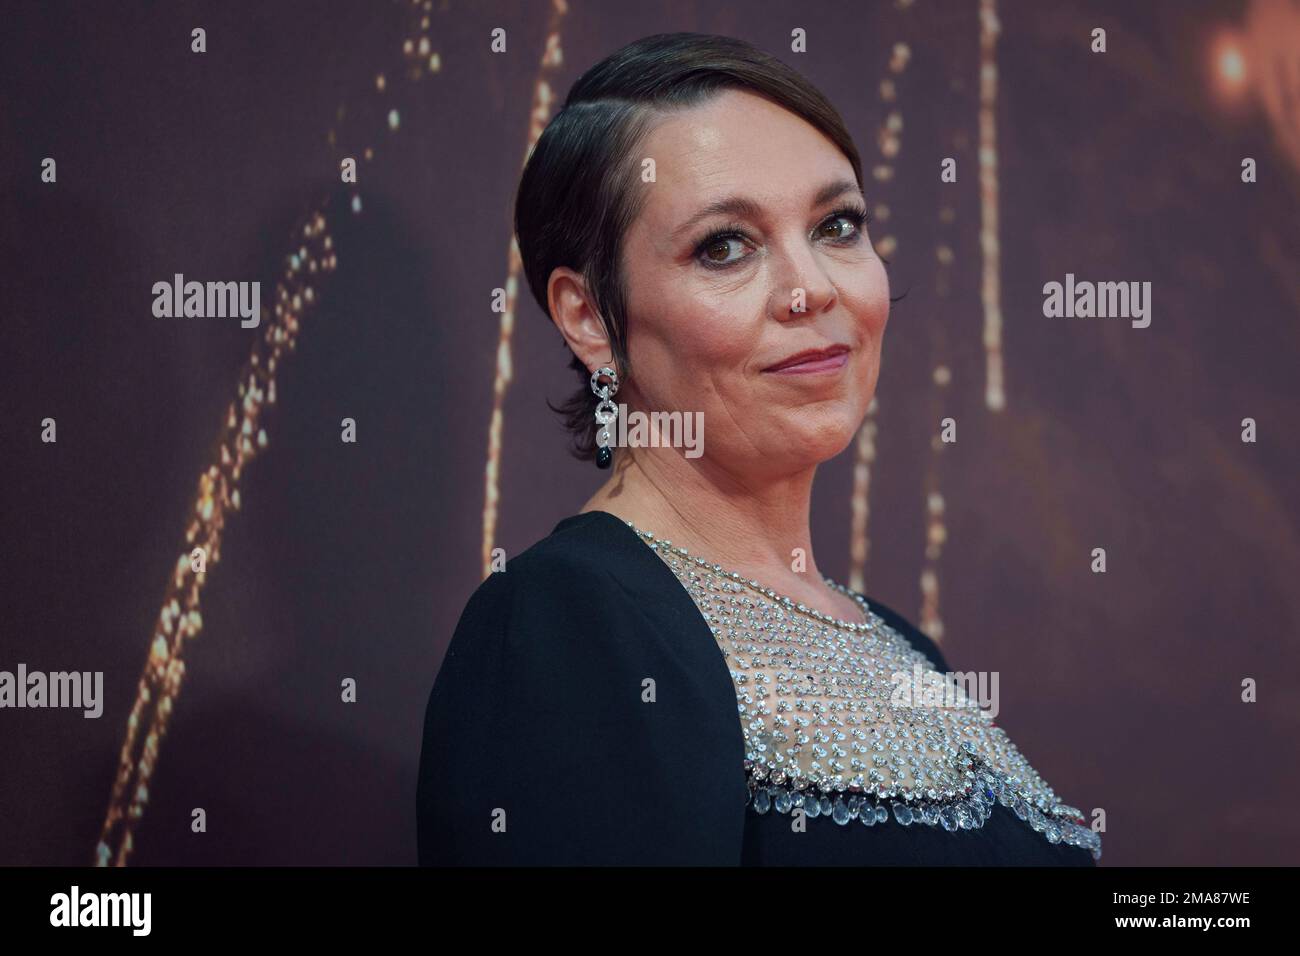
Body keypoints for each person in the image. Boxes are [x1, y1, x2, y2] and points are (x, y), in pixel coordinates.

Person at [416, 32, 1100, 866]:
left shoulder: (901, 645)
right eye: (725, 246)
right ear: (590, 317)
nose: (811, 288)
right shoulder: (568, 624)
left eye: (837, 225)